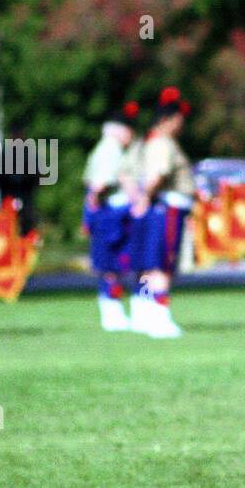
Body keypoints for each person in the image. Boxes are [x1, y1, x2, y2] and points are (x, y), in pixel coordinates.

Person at [129, 87, 195, 338]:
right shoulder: (162, 142)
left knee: (150, 264)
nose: (182, 124)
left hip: (160, 208)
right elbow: (158, 176)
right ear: (168, 119)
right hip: (168, 209)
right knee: (161, 264)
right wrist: (144, 197)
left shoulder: (152, 141)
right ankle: (159, 317)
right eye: (179, 119)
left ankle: (143, 311)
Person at [83, 101, 139, 331]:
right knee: (114, 267)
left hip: (109, 214)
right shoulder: (111, 149)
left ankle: (113, 310)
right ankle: (112, 313)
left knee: (114, 267)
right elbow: (99, 185)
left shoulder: (104, 148)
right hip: (112, 216)